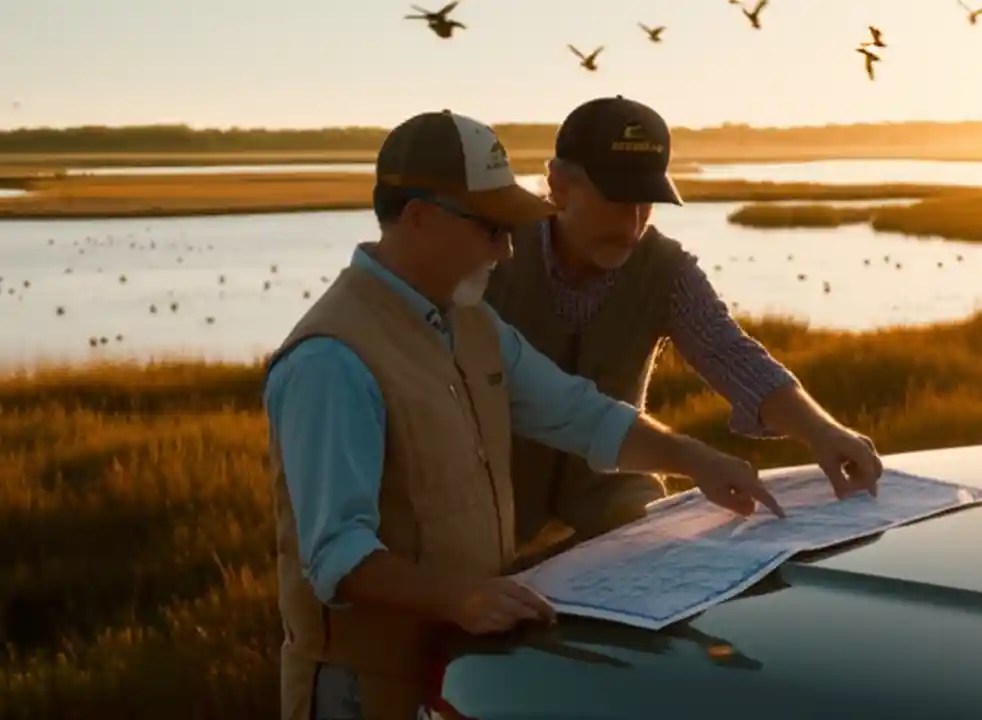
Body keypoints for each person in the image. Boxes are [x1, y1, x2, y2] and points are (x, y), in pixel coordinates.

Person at [264, 109, 786, 720]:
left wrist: (698, 460)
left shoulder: (470, 322)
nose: (507, 249)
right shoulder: (332, 359)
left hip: (454, 668)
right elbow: (337, 556)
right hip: (362, 686)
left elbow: (579, 414)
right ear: (419, 217)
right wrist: (462, 598)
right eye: (491, 228)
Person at [484, 95, 885, 554]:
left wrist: (822, 431)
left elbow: (731, 354)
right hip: (494, 497)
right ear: (558, 184)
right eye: (617, 199)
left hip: (616, 491)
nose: (633, 223)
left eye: (647, 202)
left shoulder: (665, 268)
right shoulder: (490, 252)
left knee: (667, 555)